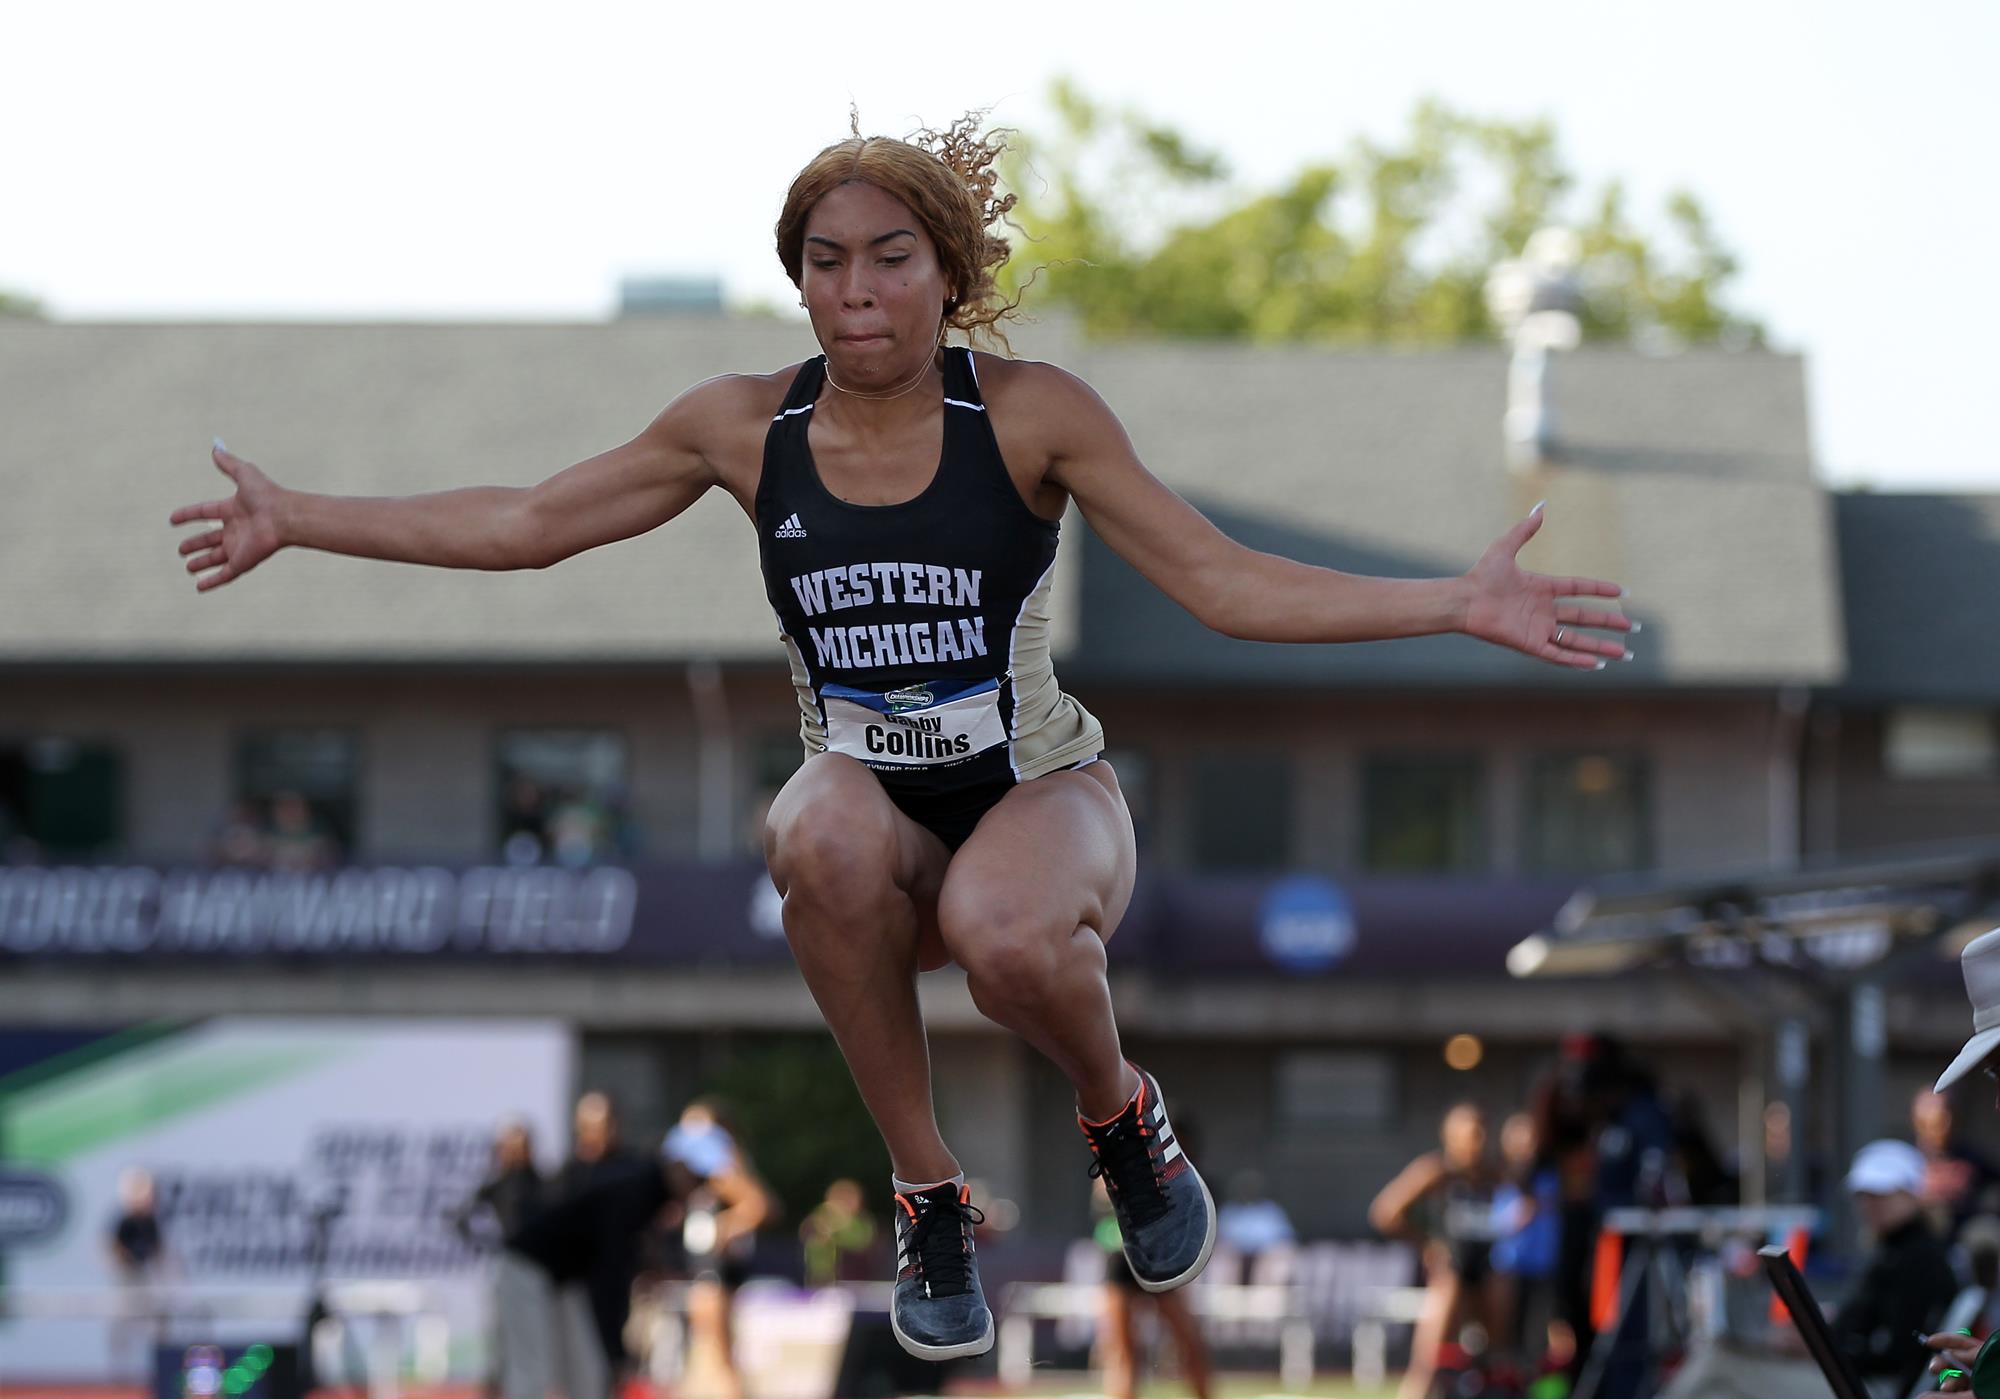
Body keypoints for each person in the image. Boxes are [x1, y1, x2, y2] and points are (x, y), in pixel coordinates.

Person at [170, 113, 1633, 1360]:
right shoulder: (744, 428)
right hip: (876, 832)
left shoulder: (1031, 416)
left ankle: (1122, 1115)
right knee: (808, 816)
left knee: (1003, 930)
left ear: (948, 272)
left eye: (888, 258)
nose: (855, 291)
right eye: (824, 262)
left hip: (1043, 801)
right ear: (796, 279)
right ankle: (928, 1193)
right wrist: (300, 516)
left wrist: (1455, 601)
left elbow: (1221, 584)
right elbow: (528, 522)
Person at [1371, 1103, 1506, 1399]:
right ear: (1452, 1137)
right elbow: (1385, 1212)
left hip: (1487, 1269)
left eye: (1483, 1133)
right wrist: (1427, 1244)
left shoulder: (1493, 1175)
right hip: (1452, 1271)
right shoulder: (1437, 1171)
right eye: (1472, 1135)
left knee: (1496, 1354)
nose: (1479, 1141)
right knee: (1429, 1357)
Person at [662, 1098, 773, 1399]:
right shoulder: (701, 1176)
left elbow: (760, 1205)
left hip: (714, 1275)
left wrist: (722, 1230)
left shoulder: (721, 1170)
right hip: (704, 1273)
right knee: (704, 1360)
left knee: (716, 1357)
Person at [1092, 1174, 1215, 1399]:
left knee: (1188, 1339)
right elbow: (1102, 1195)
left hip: (1155, 1252)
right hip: (1119, 1255)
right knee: (1122, 1349)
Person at [453, 1120, 546, 1399]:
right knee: (502, 1338)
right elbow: (461, 1218)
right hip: (509, 1266)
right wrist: (490, 1244)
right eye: (507, 1147)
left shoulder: (539, 1183)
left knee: (531, 1339)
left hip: (536, 1267)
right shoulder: (498, 1185)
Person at [1913, 1088, 2000, 1236]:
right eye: (1938, 1120)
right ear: (1919, 1121)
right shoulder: (1908, 1160)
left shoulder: (1972, 1158)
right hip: (1921, 1238)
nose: (1947, 1124)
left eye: (1950, 1115)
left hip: (1966, 1237)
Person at [800, 1178, 877, 1288]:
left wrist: (839, 1230)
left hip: (853, 1279)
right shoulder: (823, 1214)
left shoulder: (862, 1221)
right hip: (821, 1275)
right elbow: (807, 1233)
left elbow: (862, 1242)